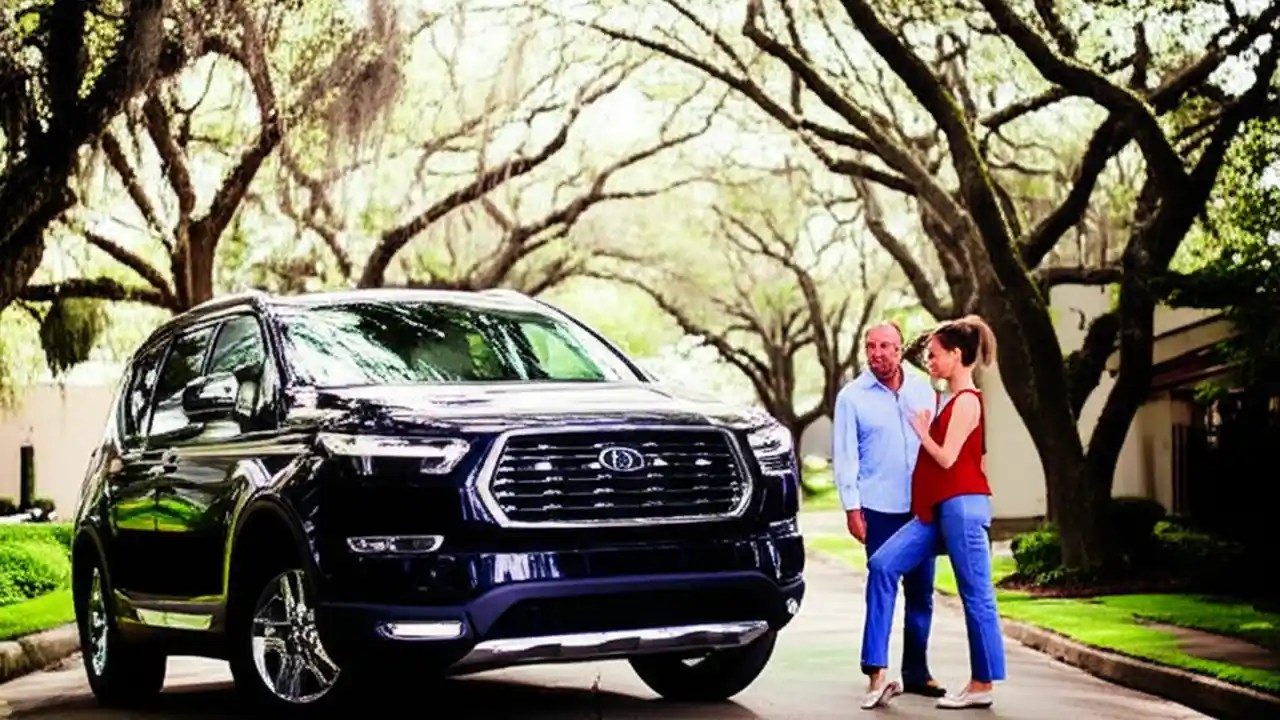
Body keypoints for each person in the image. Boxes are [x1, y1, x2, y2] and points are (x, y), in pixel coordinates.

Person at [859, 315, 1005, 710]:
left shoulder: (967, 401)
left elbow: (947, 459)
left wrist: (923, 433)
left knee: (977, 596)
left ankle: (981, 683)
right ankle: (877, 673)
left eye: (935, 355)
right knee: (884, 563)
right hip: (936, 511)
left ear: (957, 356)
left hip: (961, 509)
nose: (929, 361)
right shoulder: (946, 400)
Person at [833, 322, 945, 701]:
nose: (877, 353)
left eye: (885, 346)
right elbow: (846, 457)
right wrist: (852, 507)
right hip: (878, 508)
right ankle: (876, 672)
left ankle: (917, 671)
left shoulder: (923, 388)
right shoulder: (852, 397)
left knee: (921, 593)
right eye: (871, 346)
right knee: (881, 587)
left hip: (921, 507)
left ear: (899, 350)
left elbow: (939, 445)